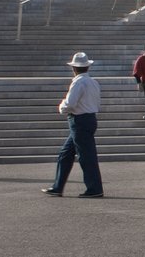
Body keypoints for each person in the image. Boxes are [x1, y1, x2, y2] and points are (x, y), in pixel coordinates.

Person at [44, 52, 103, 198]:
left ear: (74, 68)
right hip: (89, 118)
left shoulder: (78, 82)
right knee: (66, 153)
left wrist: (61, 107)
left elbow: (70, 104)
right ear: (87, 67)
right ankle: (58, 187)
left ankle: (94, 188)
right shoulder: (93, 82)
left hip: (79, 120)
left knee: (86, 156)